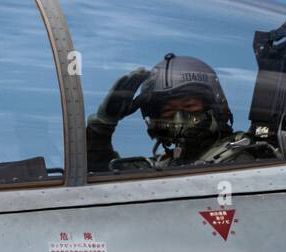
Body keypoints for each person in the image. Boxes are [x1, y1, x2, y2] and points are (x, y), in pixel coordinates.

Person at [85, 53, 273, 171]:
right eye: (168, 110)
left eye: (189, 106)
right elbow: (101, 175)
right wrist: (102, 128)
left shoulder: (242, 159)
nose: (178, 118)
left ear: (215, 106)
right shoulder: (167, 164)